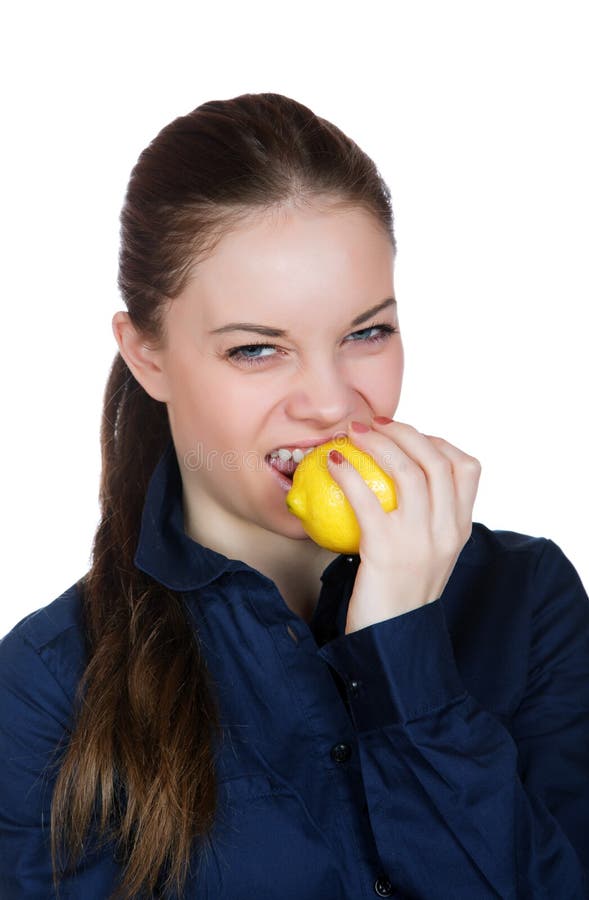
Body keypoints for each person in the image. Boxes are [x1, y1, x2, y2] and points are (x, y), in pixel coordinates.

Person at [0, 92, 588, 900]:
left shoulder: (526, 599)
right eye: (255, 350)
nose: (331, 402)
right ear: (147, 357)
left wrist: (402, 649)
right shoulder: (46, 685)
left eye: (366, 333)